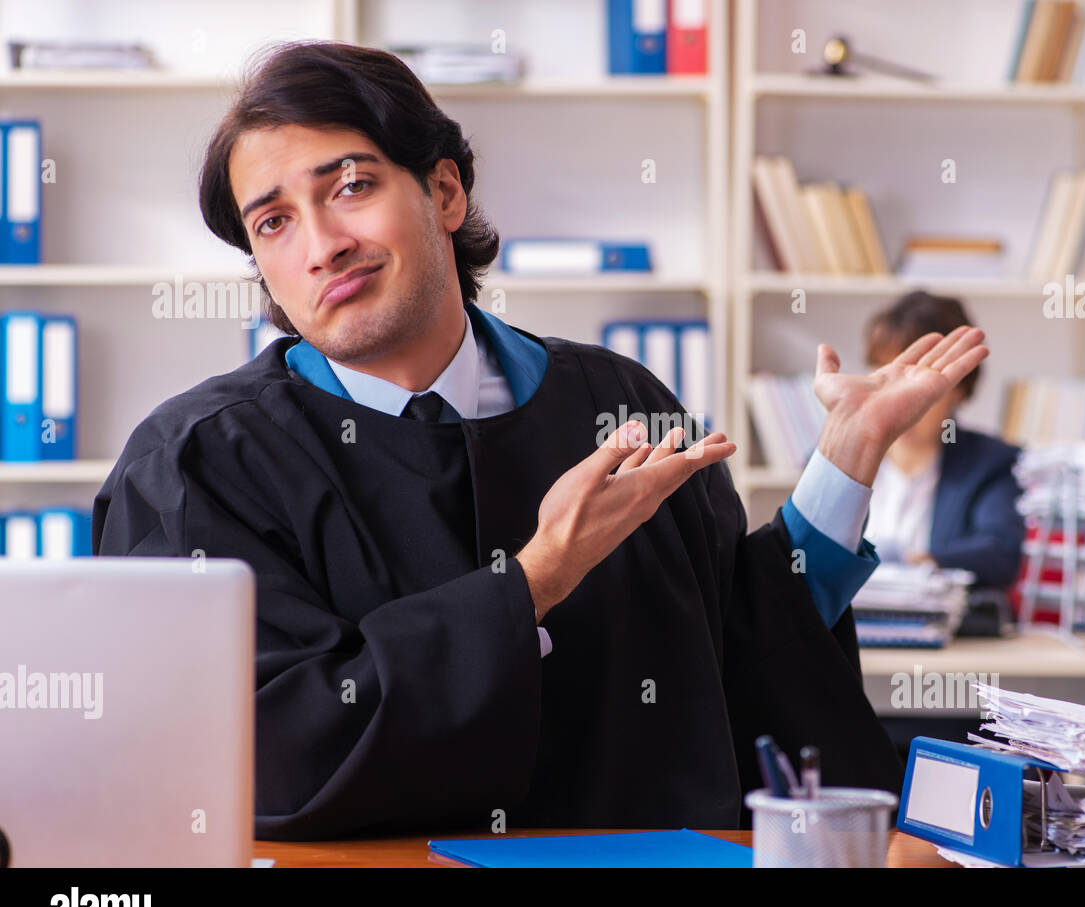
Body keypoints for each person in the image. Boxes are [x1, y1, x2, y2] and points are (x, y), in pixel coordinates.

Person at [92, 42, 989, 841]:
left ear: (444, 191)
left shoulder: (619, 402)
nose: (321, 245)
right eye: (274, 222)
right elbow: (264, 752)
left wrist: (846, 458)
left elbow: (736, 662)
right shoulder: (196, 465)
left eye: (351, 186)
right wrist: (534, 579)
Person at [862, 291, 1025, 593]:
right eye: (890, 376)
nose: (902, 400)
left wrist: (915, 564)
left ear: (959, 388)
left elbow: (1000, 553)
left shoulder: (991, 463)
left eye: (920, 382)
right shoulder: (834, 462)